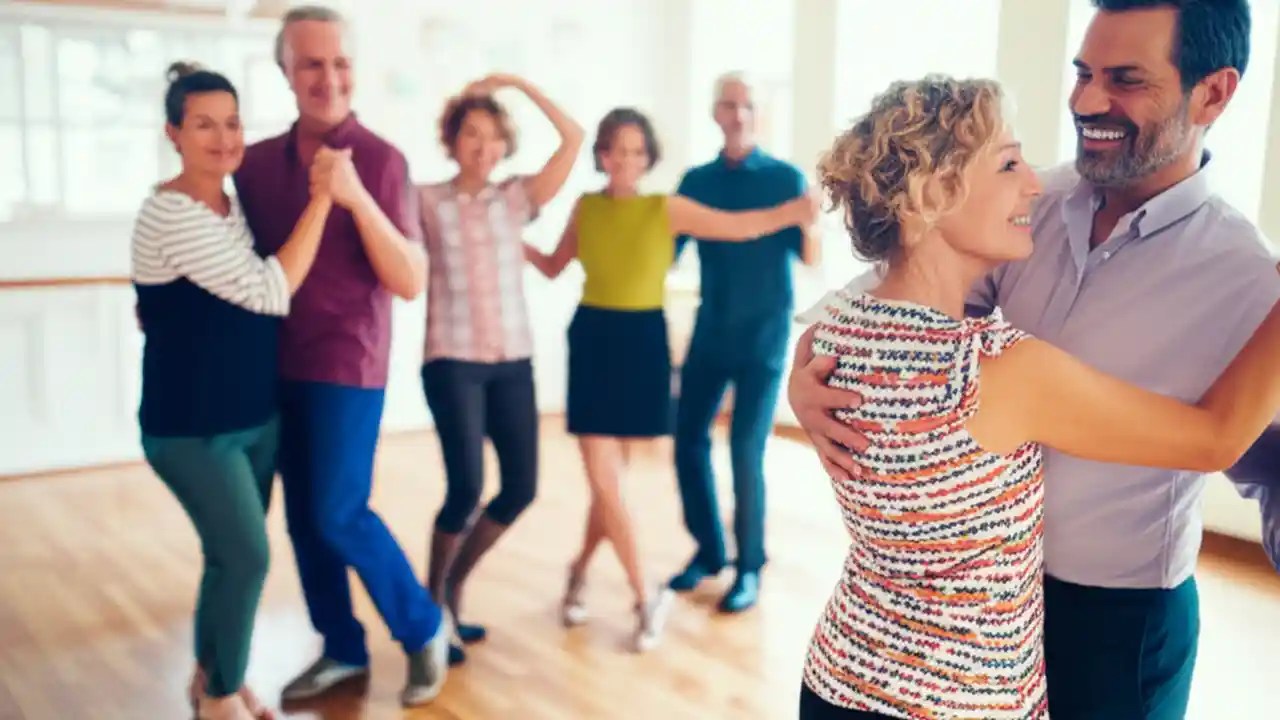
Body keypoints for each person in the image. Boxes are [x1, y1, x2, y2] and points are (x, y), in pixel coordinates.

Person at [787, 2, 1280, 718]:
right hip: (961, 637)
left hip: (1115, 623)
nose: (1085, 101)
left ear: (1214, 92)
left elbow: (1244, 449)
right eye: (1082, 73)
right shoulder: (1021, 212)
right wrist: (810, 375)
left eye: (1125, 79)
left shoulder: (1250, 279)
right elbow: (888, 290)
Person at [524, 107, 817, 651]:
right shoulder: (585, 208)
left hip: (642, 347)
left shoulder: (670, 208)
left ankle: (579, 570)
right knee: (606, 480)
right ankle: (644, 596)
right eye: (615, 149)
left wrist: (798, 211)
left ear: (648, 157)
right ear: (602, 154)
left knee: (606, 484)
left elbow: (741, 227)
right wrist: (500, 235)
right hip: (592, 341)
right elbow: (550, 265)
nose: (625, 160)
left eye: (636, 151)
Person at [231, 6, 449, 708]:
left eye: (340, 62)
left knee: (335, 510)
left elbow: (410, 280)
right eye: (311, 64)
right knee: (301, 519)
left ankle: (422, 627)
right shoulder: (257, 163)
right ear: (286, 73)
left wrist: (354, 198)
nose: (329, 78)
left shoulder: (382, 161)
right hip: (269, 363)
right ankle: (343, 648)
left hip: (347, 364)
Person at [132, 61, 333, 720]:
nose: (223, 138)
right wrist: (325, 198)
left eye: (231, 122)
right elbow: (269, 290)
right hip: (190, 429)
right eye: (203, 125)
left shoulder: (229, 203)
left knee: (227, 560)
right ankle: (221, 700)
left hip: (253, 416)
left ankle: (217, 675)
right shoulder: (168, 213)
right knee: (247, 556)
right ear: (174, 134)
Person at [417, 72, 583, 665]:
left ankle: (452, 587)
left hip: (512, 360)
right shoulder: (425, 201)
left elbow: (573, 138)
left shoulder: (515, 198)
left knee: (520, 489)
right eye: (470, 134)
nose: (482, 147)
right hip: (451, 360)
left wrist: (517, 84)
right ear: (452, 139)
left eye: (492, 137)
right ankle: (430, 612)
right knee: (464, 488)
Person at [666, 71, 820, 614]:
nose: (738, 114)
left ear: (759, 113)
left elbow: (810, 256)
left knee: (745, 449)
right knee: (686, 440)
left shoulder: (785, 177)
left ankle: (749, 566)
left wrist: (813, 219)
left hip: (764, 336)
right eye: (729, 104)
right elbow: (664, 251)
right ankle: (709, 552)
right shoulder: (695, 181)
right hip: (711, 329)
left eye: (747, 105)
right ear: (715, 112)